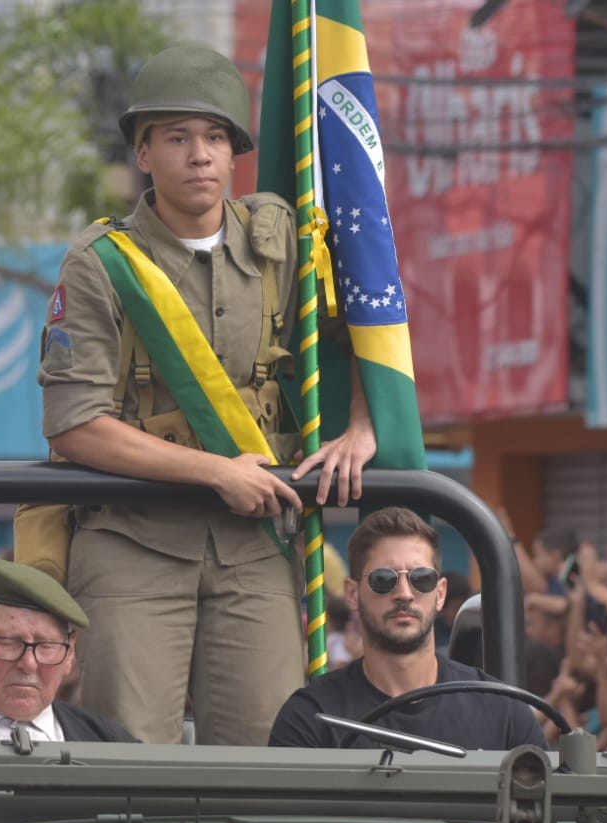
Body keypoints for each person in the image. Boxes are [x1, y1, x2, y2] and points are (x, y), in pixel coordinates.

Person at [36, 43, 377, 746]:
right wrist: (212, 470)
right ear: (143, 154)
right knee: (128, 761)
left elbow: (370, 325)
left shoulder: (279, 240)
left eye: (215, 136)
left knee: (267, 757)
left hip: (254, 544)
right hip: (133, 540)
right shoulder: (102, 264)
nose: (199, 155)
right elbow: (75, 426)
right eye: (177, 137)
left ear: (234, 153)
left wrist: (364, 427)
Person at [269, 508, 546, 751]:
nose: (404, 593)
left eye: (421, 579)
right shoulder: (309, 717)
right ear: (352, 593)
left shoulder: (503, 711)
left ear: (440, 594)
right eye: (383, 579)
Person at [0, 558, 137, 744]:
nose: (29, 664)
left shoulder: (106, 741)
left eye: (46, 646)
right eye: (9, 642)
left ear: (69, 654)